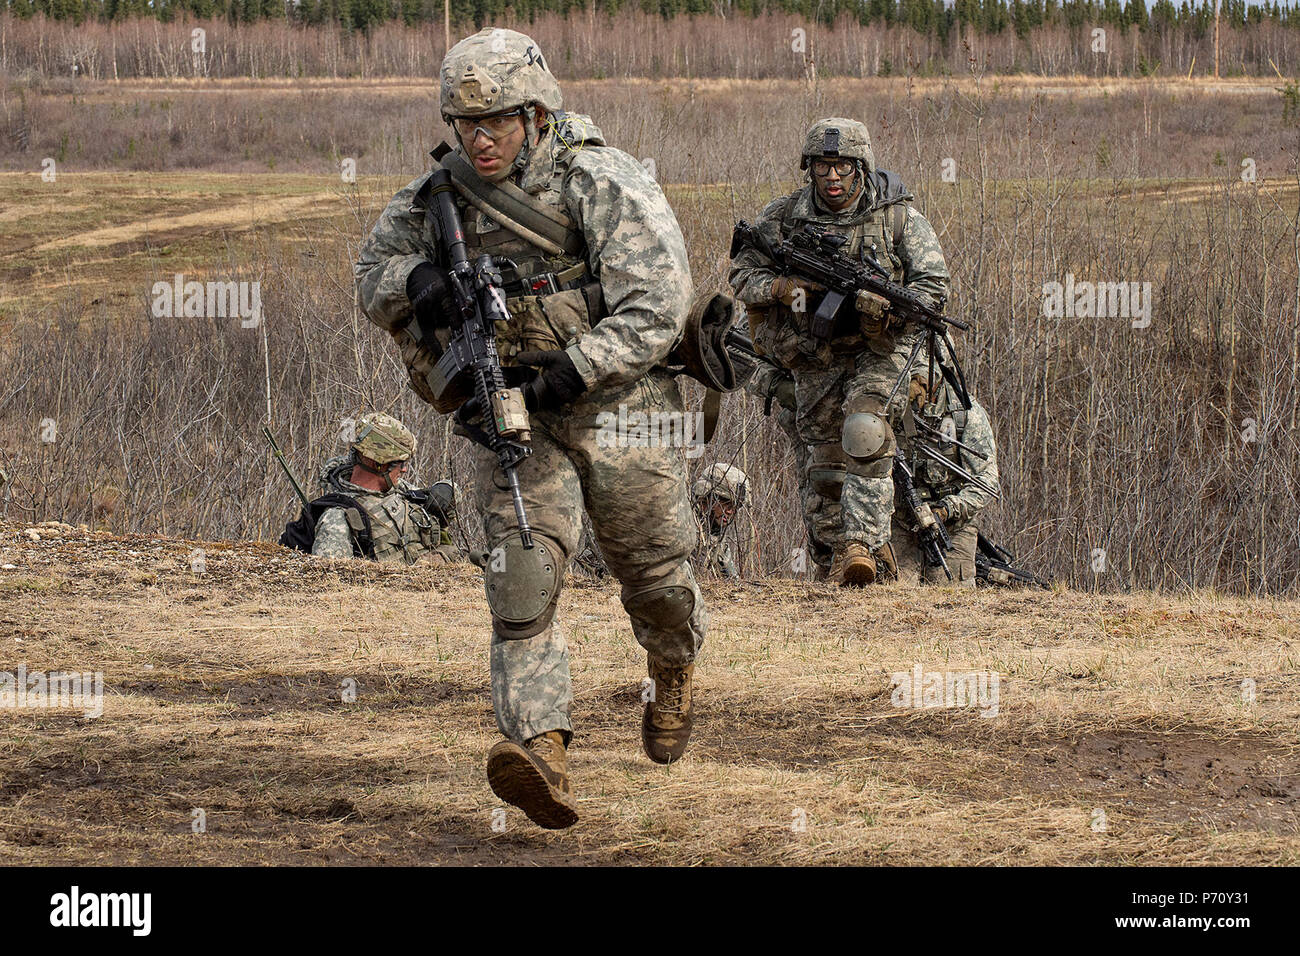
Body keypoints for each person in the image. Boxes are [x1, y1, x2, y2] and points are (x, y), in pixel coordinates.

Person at [354, 28, 709, 829]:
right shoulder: (436, 198)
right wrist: (416, 280)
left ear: (536, 112)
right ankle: (541, 750)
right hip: (514, 414)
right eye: (466, 124)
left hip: (619, 404)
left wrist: (572, 370)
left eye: (498, 122)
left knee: (653, 574)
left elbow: (658, 307)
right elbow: (368, 277)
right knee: (520, 577)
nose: (480, 139)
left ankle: (673, 662)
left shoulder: (599, 179)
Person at [729, 118, 950, 586]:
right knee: (826, 469)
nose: (833, 177)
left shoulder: (897, 217)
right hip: (815, 353)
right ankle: (839, 566)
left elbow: (933, 287)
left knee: (866, 430)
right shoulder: (785, 217)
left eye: (843, 167)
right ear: (809, 168)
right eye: (824, 166)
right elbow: (742, 275)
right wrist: (783, 288)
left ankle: (863, 545)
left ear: (861, 168)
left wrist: (886, 309)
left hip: (880, 350)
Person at [308, 413, 462, 565]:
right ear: (379, 464)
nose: (405, 470)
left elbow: (445, 505)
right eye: (401, 463)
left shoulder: (399, 490)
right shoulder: (338, 519)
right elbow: (332, 580)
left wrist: (447, 488)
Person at [891, 376, 1000, 586]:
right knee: (894, 598)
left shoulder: (965, 412)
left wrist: (947, 509)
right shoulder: (891, 407)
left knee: (952, 603)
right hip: (900, 522)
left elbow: (986, 481)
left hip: (951, 529)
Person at [691, 463, 749, 579]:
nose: (730, 512)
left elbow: (732, 582)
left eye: (735, 507)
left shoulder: (716, 540)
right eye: (726, 504)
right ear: (704, 499)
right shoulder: (680, 529)